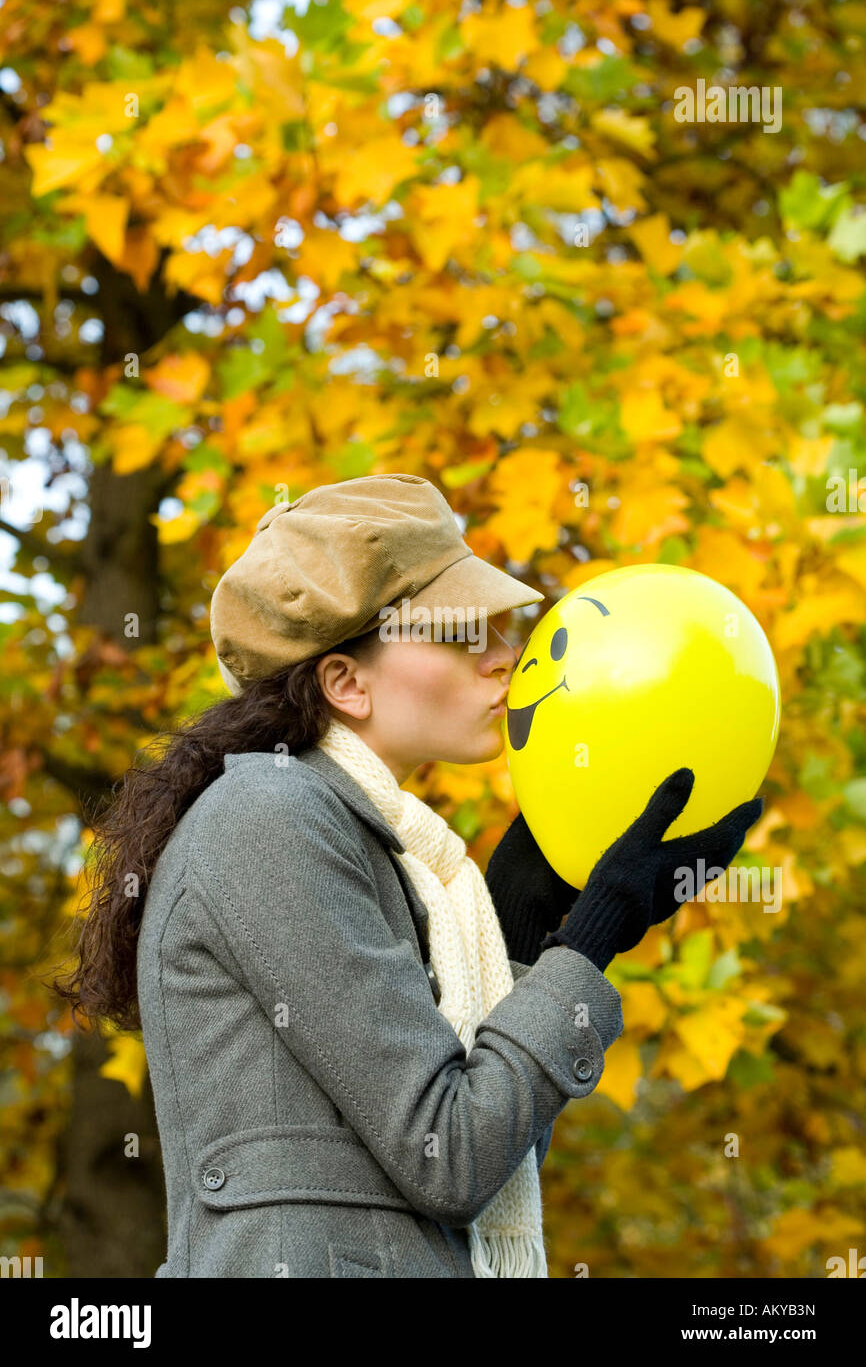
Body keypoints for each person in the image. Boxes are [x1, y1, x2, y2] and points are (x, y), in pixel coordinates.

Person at [54, 472, 763, 1278]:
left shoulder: (388, 849)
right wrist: (591, 938)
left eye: (502, 628)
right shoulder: (269, 817)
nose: (508, 659)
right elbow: (450, 1156)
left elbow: (491, 1158)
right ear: (345, 683)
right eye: (465, 634)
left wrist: (521, 931)